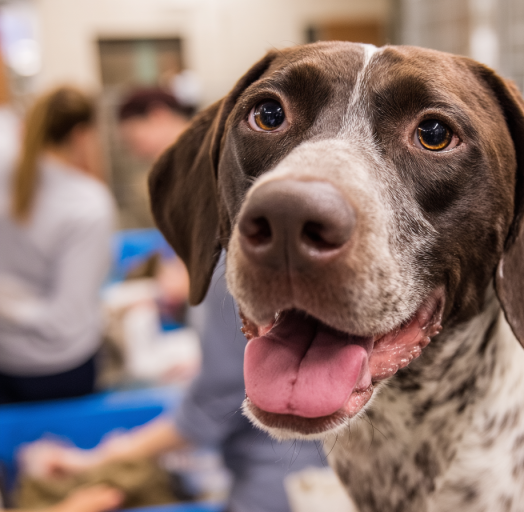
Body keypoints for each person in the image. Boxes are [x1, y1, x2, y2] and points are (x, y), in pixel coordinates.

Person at [30, 89, 326, 512]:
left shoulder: (232, 258)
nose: (136, 156)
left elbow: (211, 406)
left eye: (136, 146)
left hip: (284, 482)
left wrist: (104, 455)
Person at [0, 86, 115, 403]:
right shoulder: (87, 202)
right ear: (81, 134)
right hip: (59, 370)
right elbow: (66, 321)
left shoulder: (7, 177)